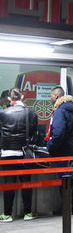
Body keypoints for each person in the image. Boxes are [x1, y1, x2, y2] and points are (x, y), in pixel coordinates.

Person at [0, 88, 39, 221]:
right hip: (25, 153)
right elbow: (34, 131)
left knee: (9, 183)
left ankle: (7, 214)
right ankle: (28, 213)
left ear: (9, 98)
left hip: (7, 153)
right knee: (26, 183)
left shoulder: (2, 113)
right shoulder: (31, 113)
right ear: (22, 97)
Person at [46, 85, 73, 215]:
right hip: (71, 149)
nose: (49, 98)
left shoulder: (60, 111)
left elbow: (58, 132)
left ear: (57, 96)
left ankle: (67, 206)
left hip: (62, 150)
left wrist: (50, 146)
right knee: (68, 177)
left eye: (50, 96)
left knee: (64, 179)